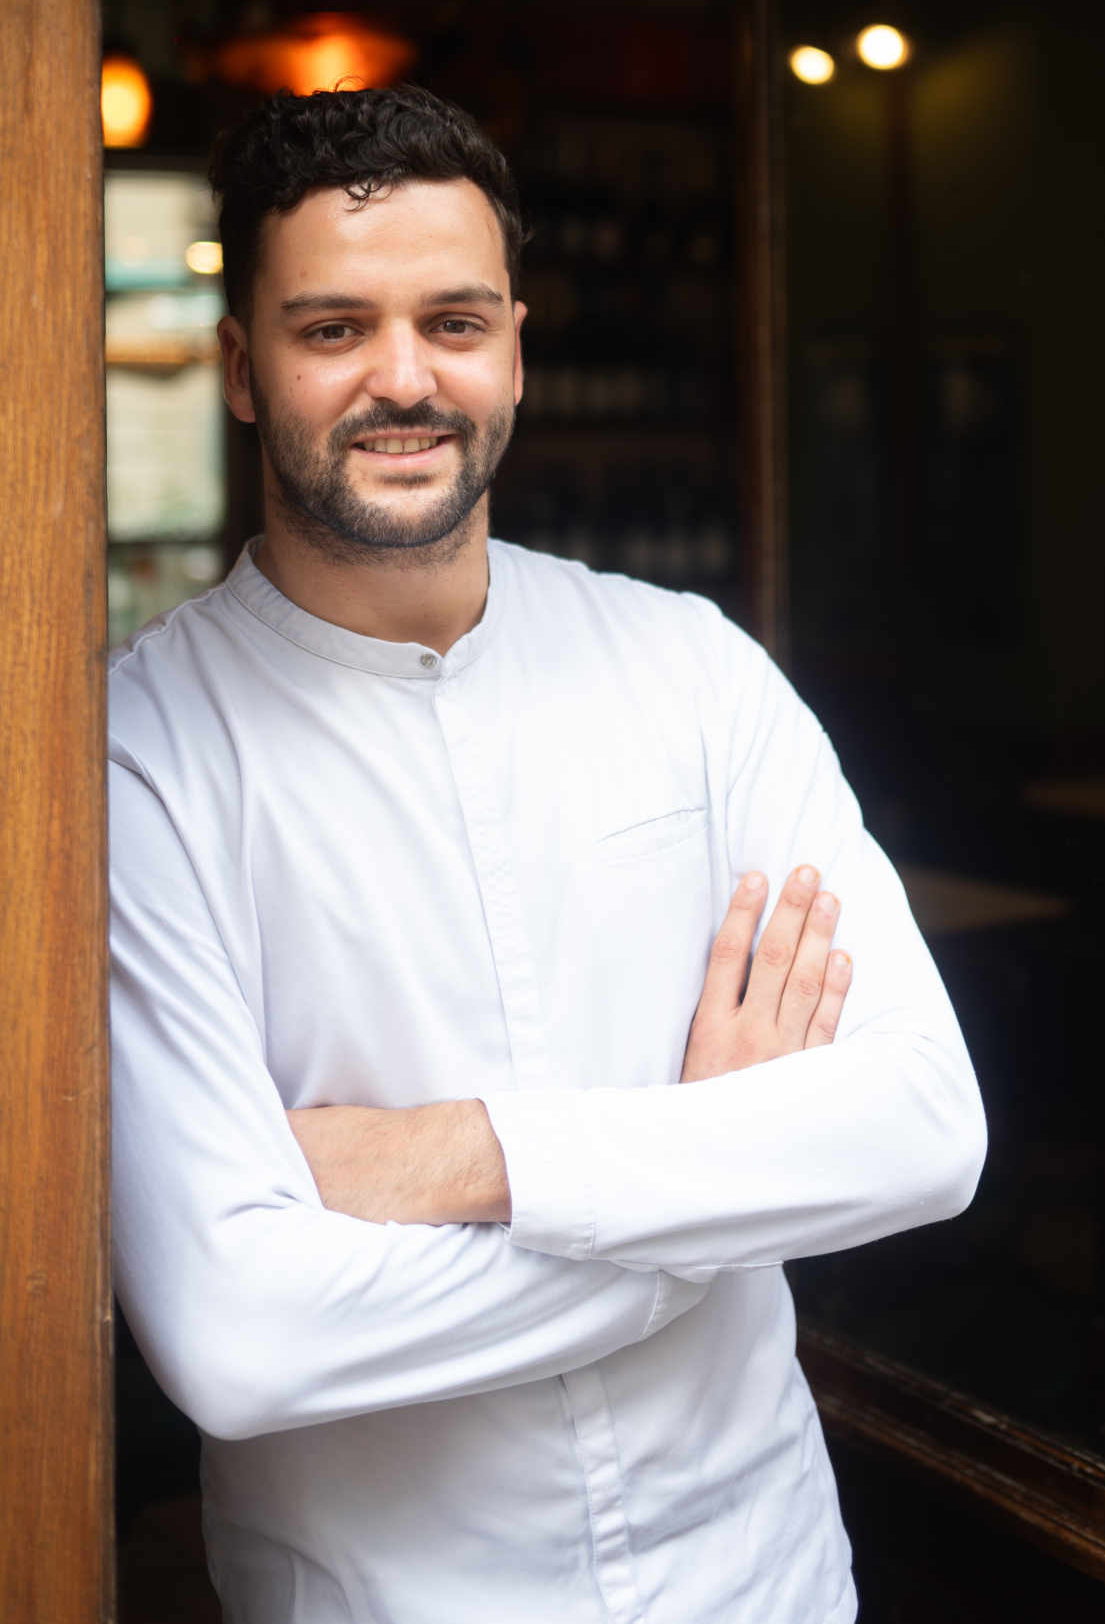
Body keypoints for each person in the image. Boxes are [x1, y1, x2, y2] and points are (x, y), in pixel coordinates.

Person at [109, 84, 985, 1624]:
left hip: (767, 1584)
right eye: (332, 330)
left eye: (454, 320)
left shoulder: (692, 669)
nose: (404, 377)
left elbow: (922, 1123)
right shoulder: (141, 749)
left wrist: (456, 1154)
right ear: (243, 370)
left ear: (515, 340)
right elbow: (241, 1336)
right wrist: (709, 1202)